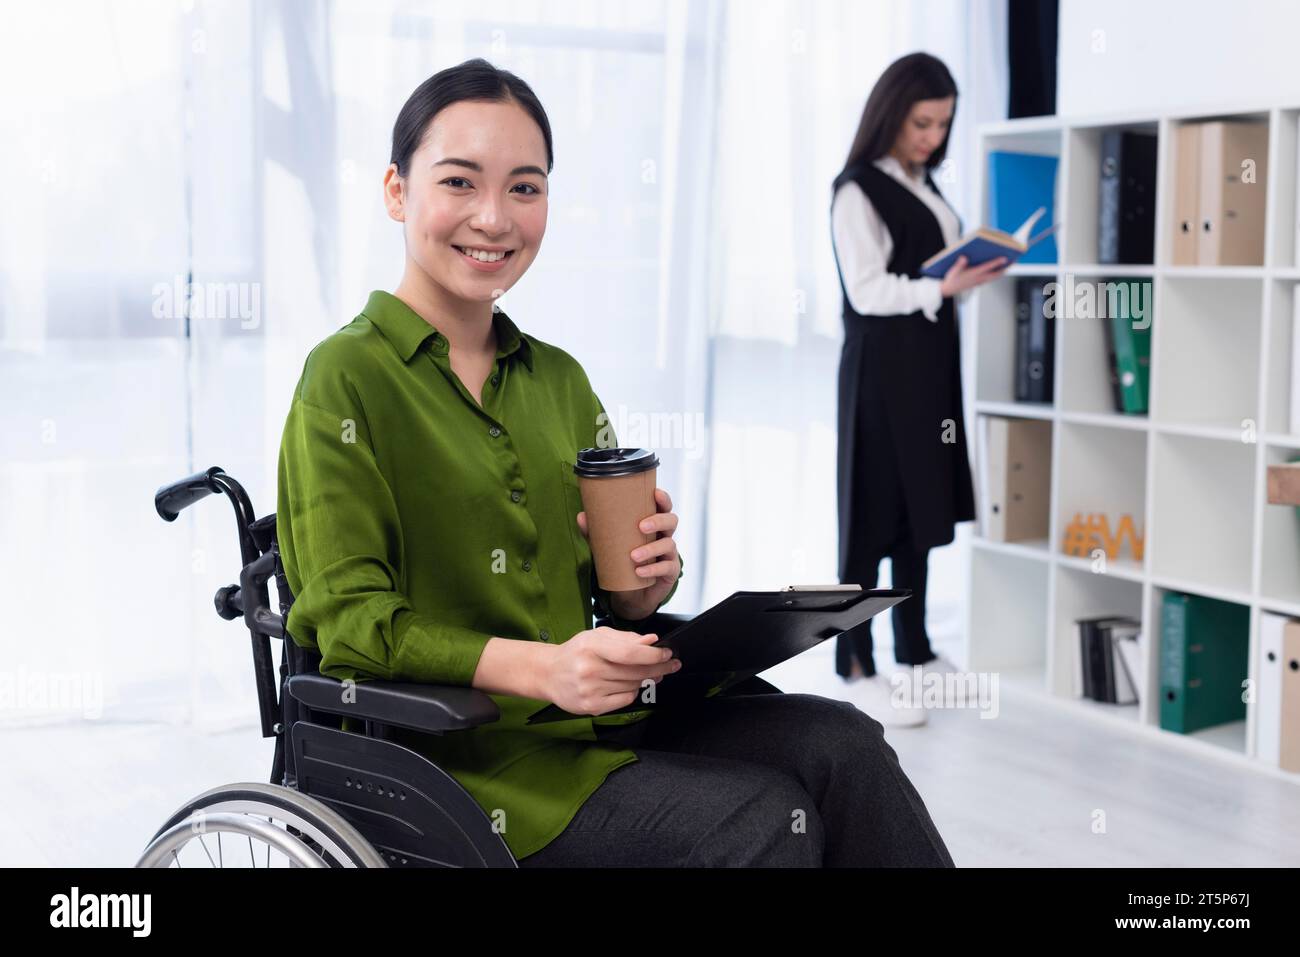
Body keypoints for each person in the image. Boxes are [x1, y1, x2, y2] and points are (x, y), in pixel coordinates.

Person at [277, 57, 954, 867]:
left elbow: (619, 598)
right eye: (460, 182)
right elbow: (349, 619)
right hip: (459, 761)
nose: (493, 217)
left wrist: (647, 579)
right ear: (397, 191)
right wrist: (546, 669)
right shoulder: (345, 377)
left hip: (601, 720)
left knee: (844, 744)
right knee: (761, 817)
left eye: (525, 188)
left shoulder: (558, 379)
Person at [830, 52, 1007, 728]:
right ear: (892, 113)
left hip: (930, 368)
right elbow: (867, 289)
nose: (932, 136)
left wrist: (968, 268)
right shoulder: (856, 189)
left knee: (918, 505)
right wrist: (942, 285)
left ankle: (918, 650)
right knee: (870, 512)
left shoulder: (923, 183)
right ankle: (854, 661)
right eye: (922, 121)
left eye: (943, 124)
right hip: (881, 372)